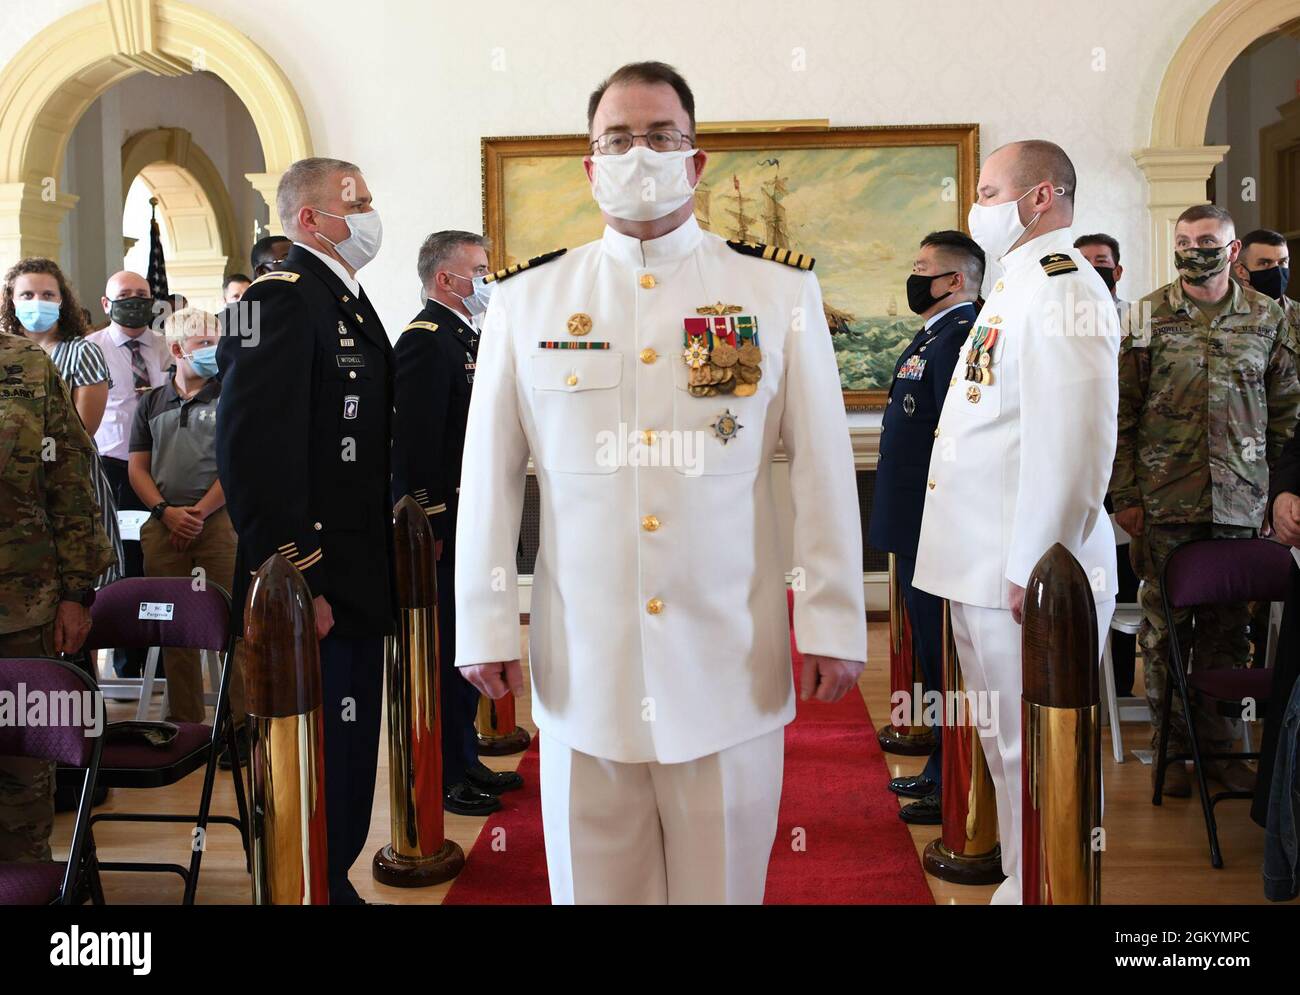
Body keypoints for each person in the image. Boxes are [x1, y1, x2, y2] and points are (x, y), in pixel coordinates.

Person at [455, 61, 866, 905]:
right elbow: (489, 479)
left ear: (696, 158)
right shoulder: (528, 301)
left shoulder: (775, 289)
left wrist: (832, 617)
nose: (638, 153)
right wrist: (485, 621)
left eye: (660, 136)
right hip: (586, 676)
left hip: (728, 671)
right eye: (617, 139)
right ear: (590, 163)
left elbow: (824, 468)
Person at [913, 140, 1121, 905]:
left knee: (1041, 751)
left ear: (1040, 198)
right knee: (1008, 747)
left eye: (991, 189)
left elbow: (1074, 441)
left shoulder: (1065, 286)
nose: (979, 204)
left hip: (1024, 569)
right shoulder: (1018, 286)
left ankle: (1050, 888)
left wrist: (1037, 566)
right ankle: (1024, 882)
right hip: (982, 564)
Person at [217, 156, 393, 905]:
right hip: (312, 580)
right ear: (311, 219)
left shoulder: (345, 297)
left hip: (355, 571)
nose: (369, 213)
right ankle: (304, 884)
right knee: (313, 751)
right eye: (356, 202)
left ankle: (330, 877)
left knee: (350, 752)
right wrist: (298, 578)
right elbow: (254, 447)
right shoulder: (281, 297)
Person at [1111, 205, 1300, 798]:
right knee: (1165, 633)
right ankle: (1172, 748)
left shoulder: (1270, 319)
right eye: (1185, 240)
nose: (1195, 249)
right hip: (1164, 500)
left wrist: (1280, 492)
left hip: (1243, 502)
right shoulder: (1146, 316)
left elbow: (1288, 416)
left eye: (1207, 241)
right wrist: (1124, 493)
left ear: (1233, 249)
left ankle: (1219, 751)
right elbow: (1120, 413)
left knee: (1230, 634)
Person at [391, 230, 521, 817]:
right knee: (444, 650)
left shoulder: (468, 336)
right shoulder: (426, 340)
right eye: (480, 270)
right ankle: (444, 774)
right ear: (447, 279)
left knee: (468, 637)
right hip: (444, 521)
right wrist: (432, 521)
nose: (488, 280)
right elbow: (414, 444)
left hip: (471, 514)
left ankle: (466, 758)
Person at [869, 230, 983, 826]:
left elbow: (957, 440)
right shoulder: (936, 332)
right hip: (915, 525)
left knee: (947, 661)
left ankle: (954, 779)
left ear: (955, 280)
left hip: (935, 529)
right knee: (934, 656)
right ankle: (942, 766)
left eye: (923, 268)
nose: (914, 277)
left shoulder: (963, 337)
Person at [0, 333, 112, 863]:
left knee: (21, 774)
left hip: (23, 608)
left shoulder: (26, 364)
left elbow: (70, 482)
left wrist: (77, 592)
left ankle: (27, 882)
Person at [129, 307, 246, 736]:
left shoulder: (232, 394)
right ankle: (185, 721)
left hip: (217, 521)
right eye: (204, 343)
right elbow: (137, 468)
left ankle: (240, 722)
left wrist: (201, 512)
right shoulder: (151, 403)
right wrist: (166, 512)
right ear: (178, 349)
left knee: (233, 623)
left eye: (218, 340)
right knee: (173, 624)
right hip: (165, 524)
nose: (215, 350)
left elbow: (240, 464)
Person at [2, 257, 123, 588]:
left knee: (85, 591)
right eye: (27, 295)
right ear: (11, 301)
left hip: (70, 477)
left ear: (62, 301)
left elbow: (82, 431)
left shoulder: (81, 352)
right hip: (16, 490)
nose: (37, 302)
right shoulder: (6, 357)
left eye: (47, 294)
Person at [86, 271, 170, 677]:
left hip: (164, 468)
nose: (134, 301)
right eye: (125, 295)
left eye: (142, 295)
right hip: (113, 469)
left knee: (162, 560)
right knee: (124, 563)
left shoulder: (168, 346)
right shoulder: (90, 349)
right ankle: (127, 661)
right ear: (107, 304)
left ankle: (168, 655)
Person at [1074, 233, 1140, 700]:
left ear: (1116, 271)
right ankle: (1080, 688)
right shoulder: (1058, 320)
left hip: (1130, 474)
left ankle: (1118, 689)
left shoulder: (1140, 322)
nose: (1092, 270)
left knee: (1122, 584)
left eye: (1100, 262)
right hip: (1079, 472)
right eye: (1082, 262)